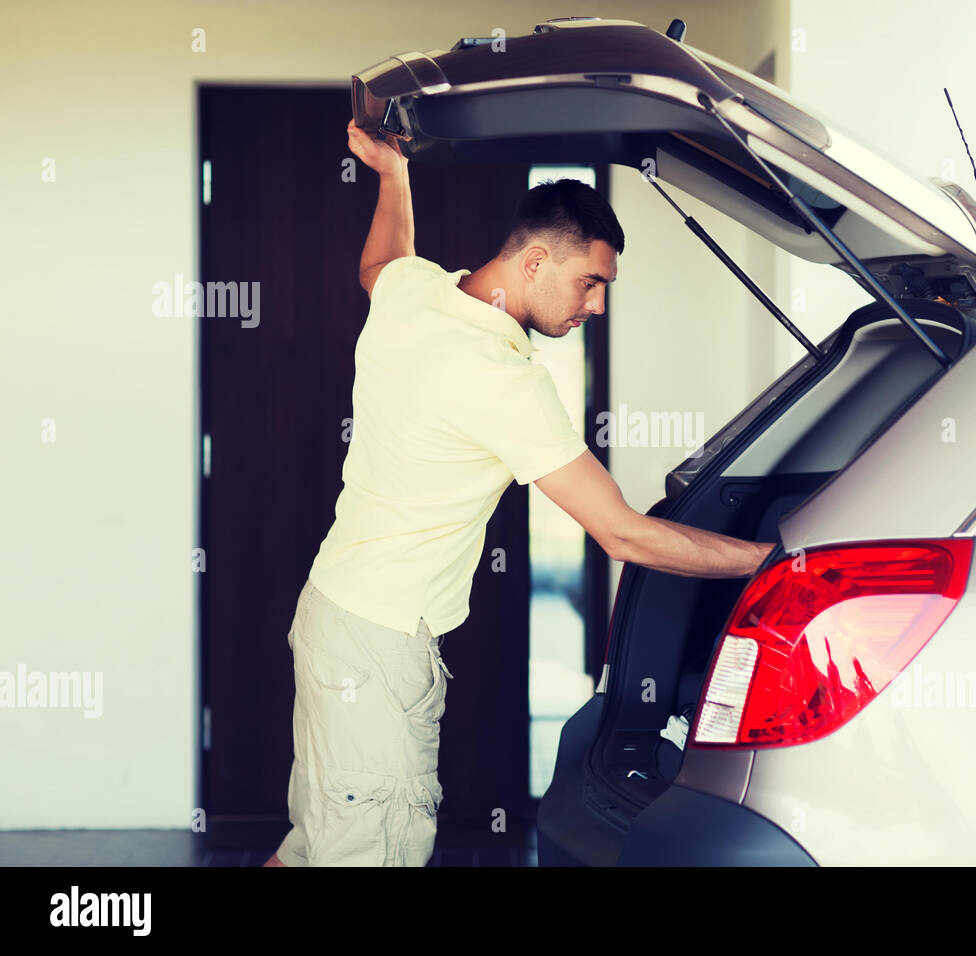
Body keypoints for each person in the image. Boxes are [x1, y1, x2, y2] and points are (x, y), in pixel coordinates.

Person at [264, 121, 774, 867]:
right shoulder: (502, 377)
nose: (595, 305)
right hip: (376, 649)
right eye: (589, 282)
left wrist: (392, 174)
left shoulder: (418, 295)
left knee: (316, 848)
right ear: (536, 261)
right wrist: (774, 560)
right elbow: (623, 535)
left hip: (334, 616)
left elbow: (381, 262)